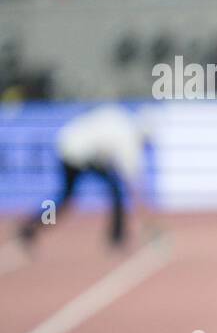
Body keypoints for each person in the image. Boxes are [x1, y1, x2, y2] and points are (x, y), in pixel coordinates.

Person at [19, 102, 147, 247]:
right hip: (79, 152)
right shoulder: (128, 135)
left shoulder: (120, 116)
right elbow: (132, 176)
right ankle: (117, 237)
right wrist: (142, 205)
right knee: (115, 190)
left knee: (66, 197)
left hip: (68, 144)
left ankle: (31, 226)